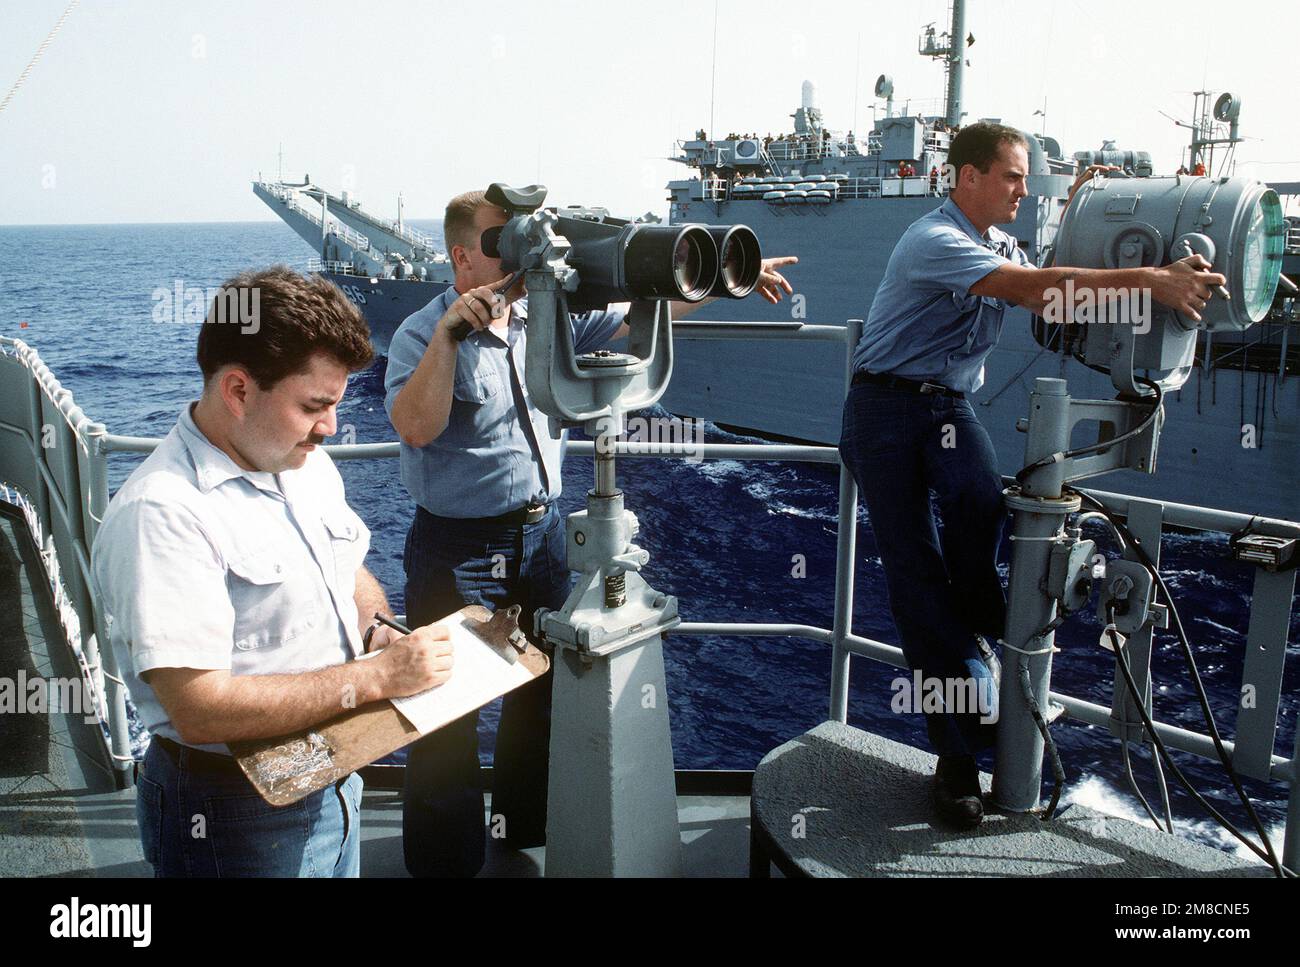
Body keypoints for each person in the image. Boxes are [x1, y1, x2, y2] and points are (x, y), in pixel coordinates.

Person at [386, 191, 797, 876]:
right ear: (461, 257)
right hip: (457, 550)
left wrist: (725, 279)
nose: (517, 253)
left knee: (545, 685)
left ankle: (519, 824)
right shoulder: (419, 334)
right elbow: (415, 427)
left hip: (538, 532)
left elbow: (657, 306)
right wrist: (450, 337)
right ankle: (444, 866)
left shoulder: (541, 318)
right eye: (499, 242)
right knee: (446, 715)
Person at [838, 122, 1226, 830]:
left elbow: (1053, 292)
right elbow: (1034, 289)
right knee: (918, 589)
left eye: (1027, 177)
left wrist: (1087, 207)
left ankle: (980, 621)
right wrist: (1152, 282)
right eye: (1013, 176)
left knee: (983, 501)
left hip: (946, 405)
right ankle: (956, 759)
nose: (1024, 189)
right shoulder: (936, 240)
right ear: (967, 178)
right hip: (885, 410)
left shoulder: (1001, 245)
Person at [92, 266, 454, 877]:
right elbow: (200, 709)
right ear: (238, 390)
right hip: (231, 809)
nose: (331, 427)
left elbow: (345, 568)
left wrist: (376, 632)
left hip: (331, 771)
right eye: (314, 405)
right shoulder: (164, 513)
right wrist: (376, 679)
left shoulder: (301, 463)